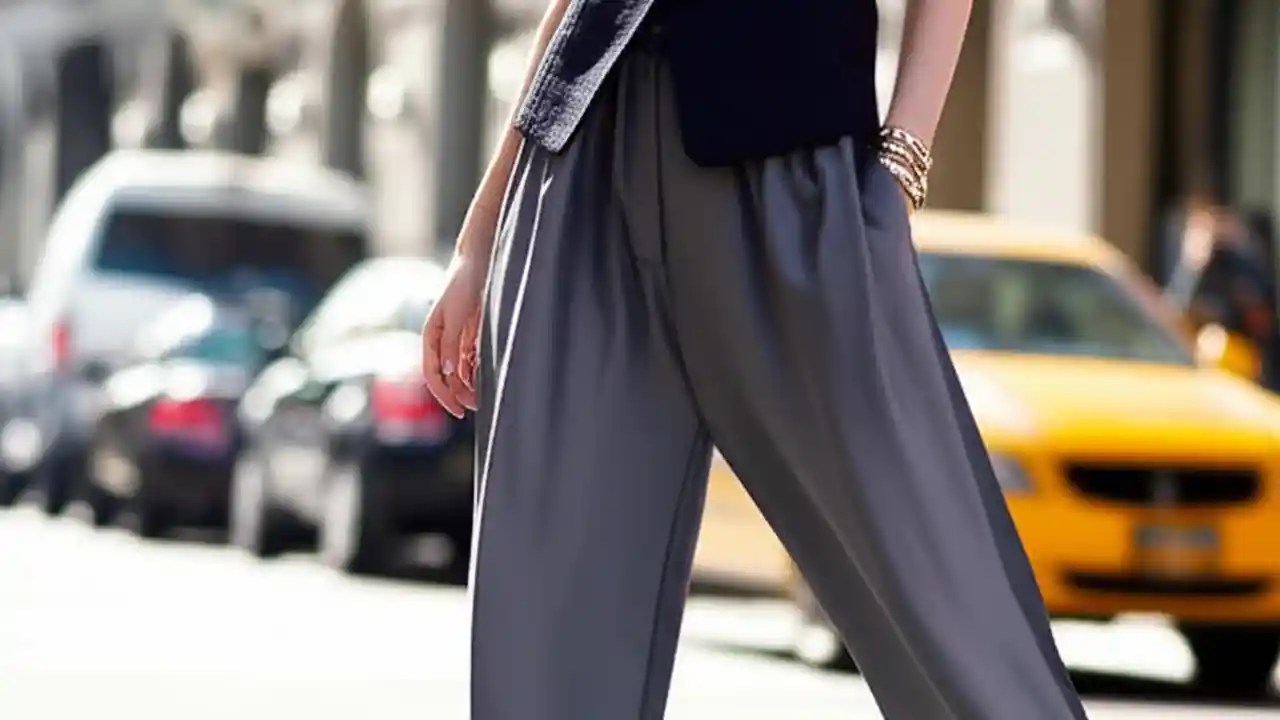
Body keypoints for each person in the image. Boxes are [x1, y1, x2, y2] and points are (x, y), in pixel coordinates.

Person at [422, 0, 1090, 717]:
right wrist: (481, 235)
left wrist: (899, 167)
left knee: (926, 565)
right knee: (544, 605)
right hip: (576, 166)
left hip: (791, 163)